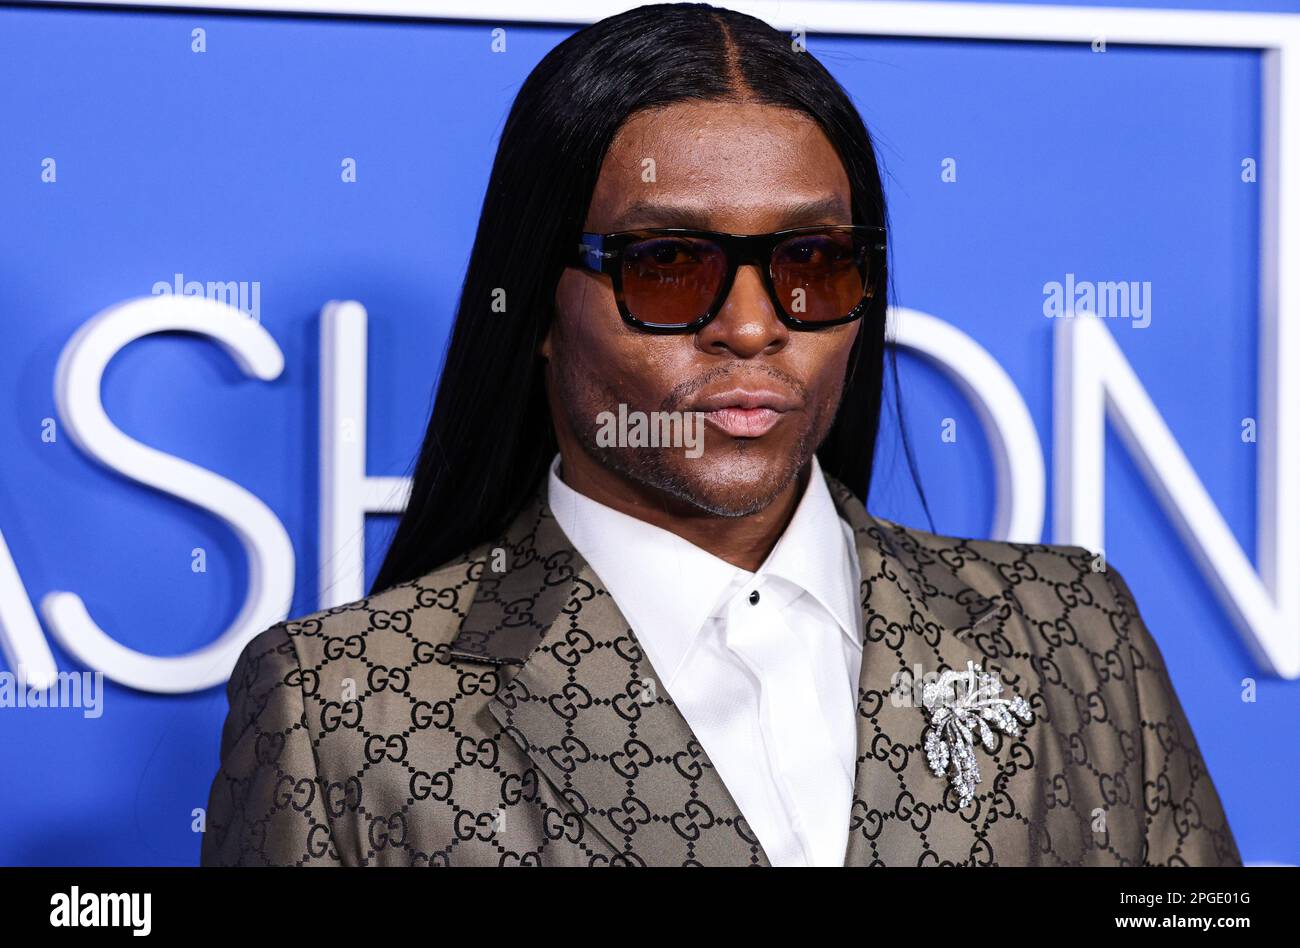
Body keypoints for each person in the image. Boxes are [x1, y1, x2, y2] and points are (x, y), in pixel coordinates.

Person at [201, 1, 1240, 866]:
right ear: (537, 315)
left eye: (812, 263)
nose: (752, 324)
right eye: (666, 264)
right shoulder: (343, 706)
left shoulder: (1069, 628)